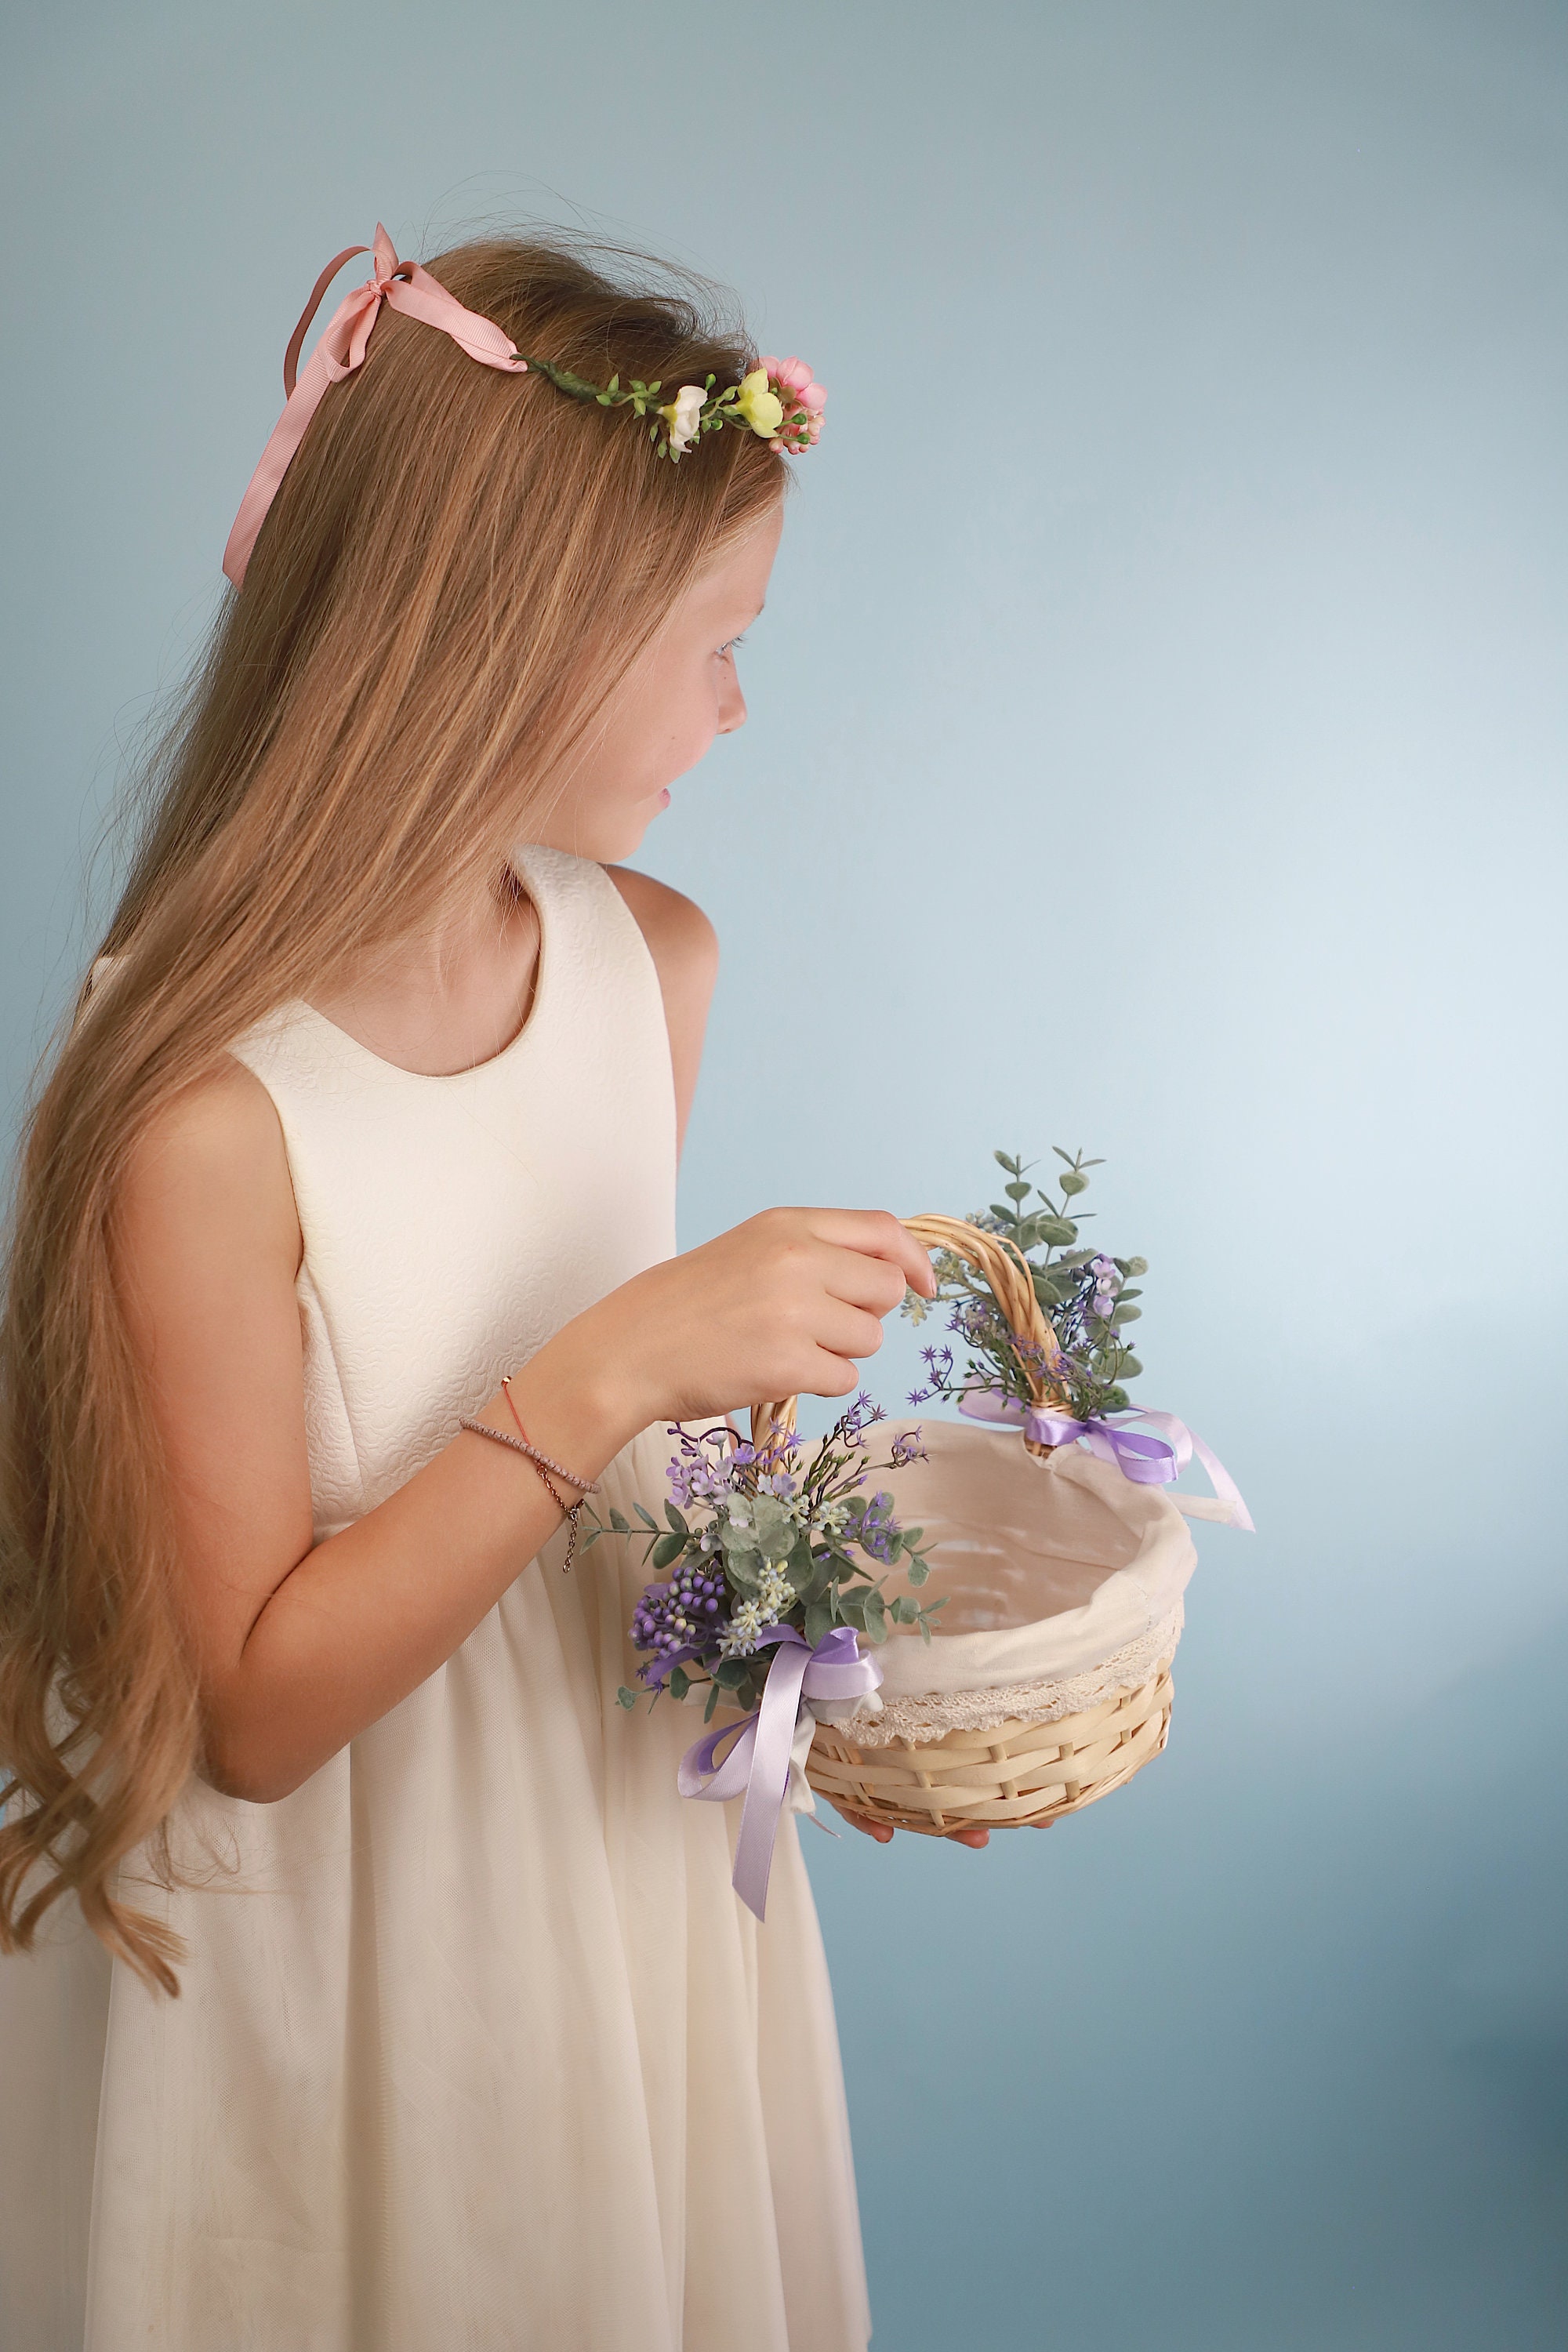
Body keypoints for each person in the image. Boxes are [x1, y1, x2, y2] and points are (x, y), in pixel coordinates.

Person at [0, 222, 985, 2350]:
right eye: (715, 641)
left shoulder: (655, 966)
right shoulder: (201, 1108)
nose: (740, 703)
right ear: (510, 640)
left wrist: (789, 1590)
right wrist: (620, 1354)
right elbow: (256, 1708)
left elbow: (641, 1481)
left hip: (616, 1878)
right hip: (353, 1944)